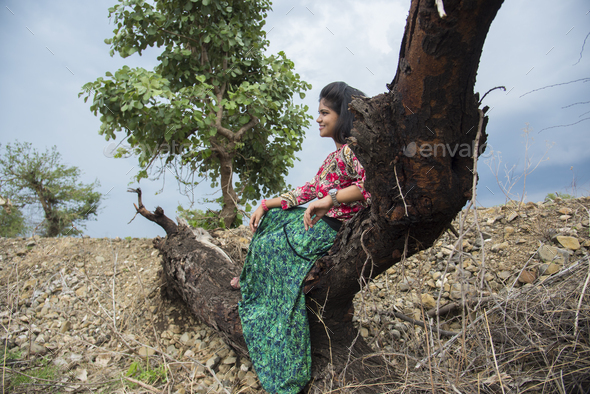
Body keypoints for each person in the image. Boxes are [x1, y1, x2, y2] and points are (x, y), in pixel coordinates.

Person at [235, 81, 371, 394]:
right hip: (323, 221)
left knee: (273, 246)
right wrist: (266, 203)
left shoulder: (351, 152)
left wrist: (332, 199)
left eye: (325, 112)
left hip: (334, 228)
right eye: (318, 112)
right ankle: (254, 282)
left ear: (343, 115)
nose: (319, 119)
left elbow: (369, 187)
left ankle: (266, 305)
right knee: (274, 220)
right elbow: (309, 190)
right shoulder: (337, 155)